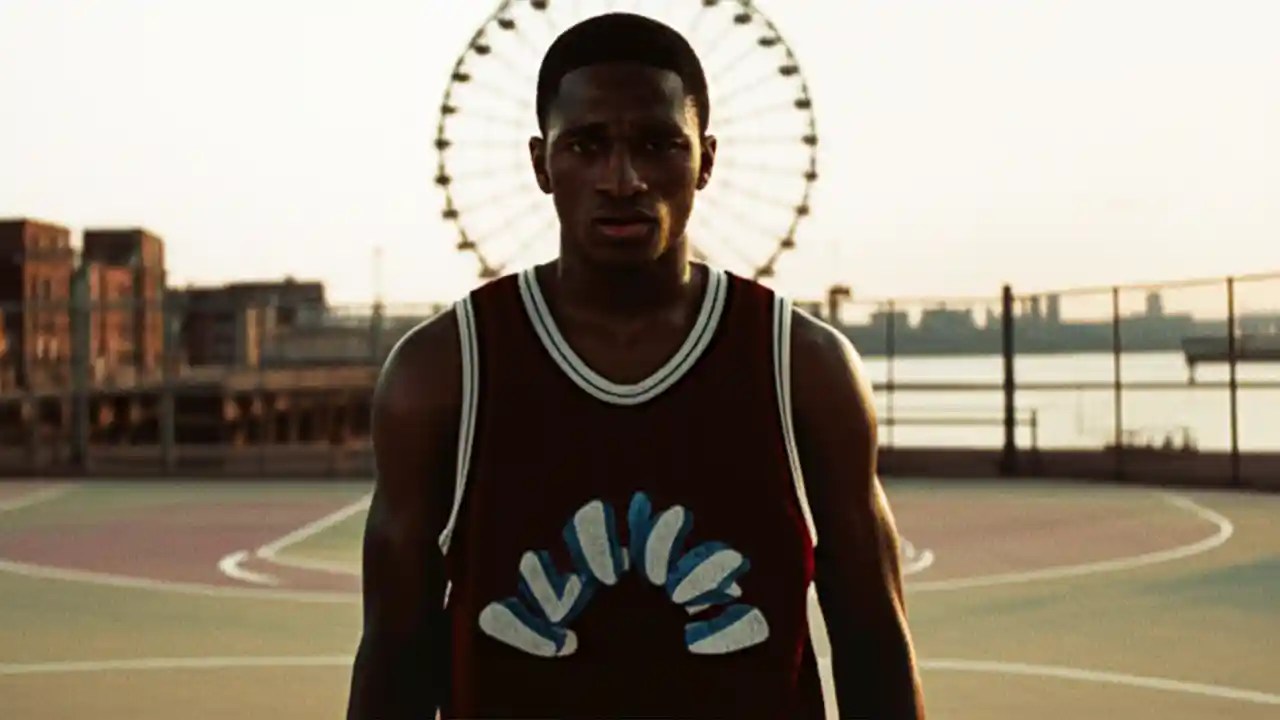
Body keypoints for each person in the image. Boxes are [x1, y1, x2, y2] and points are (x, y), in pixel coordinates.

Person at [346, 12, 925, 719]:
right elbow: (395, 651)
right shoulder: (442, 373)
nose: (622, 179)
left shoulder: (805, 367)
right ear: (540, 164)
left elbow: (872, 639)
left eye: (658, 145)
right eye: (587, 146)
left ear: (705, 160)